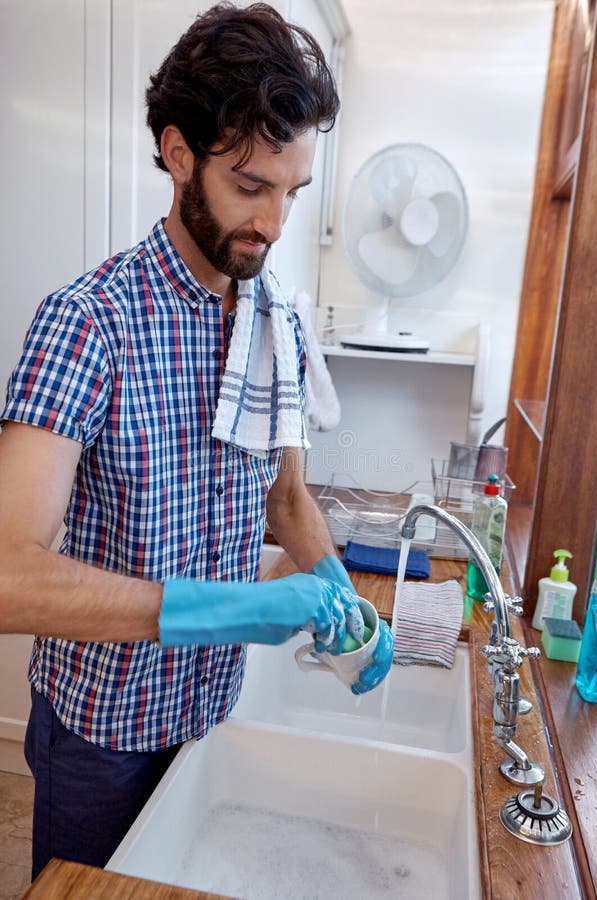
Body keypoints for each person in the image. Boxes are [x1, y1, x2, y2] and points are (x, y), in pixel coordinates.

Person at [0, 1, 394, 878]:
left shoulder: (276, 320)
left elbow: (285, 498)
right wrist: (228, 607)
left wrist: (340, 599)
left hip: (214, 710)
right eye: (251, 187)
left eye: (291, 192)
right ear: (179, 153)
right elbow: (7, 574)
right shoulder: (88, 323)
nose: (273, 224)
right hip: (101, 733)